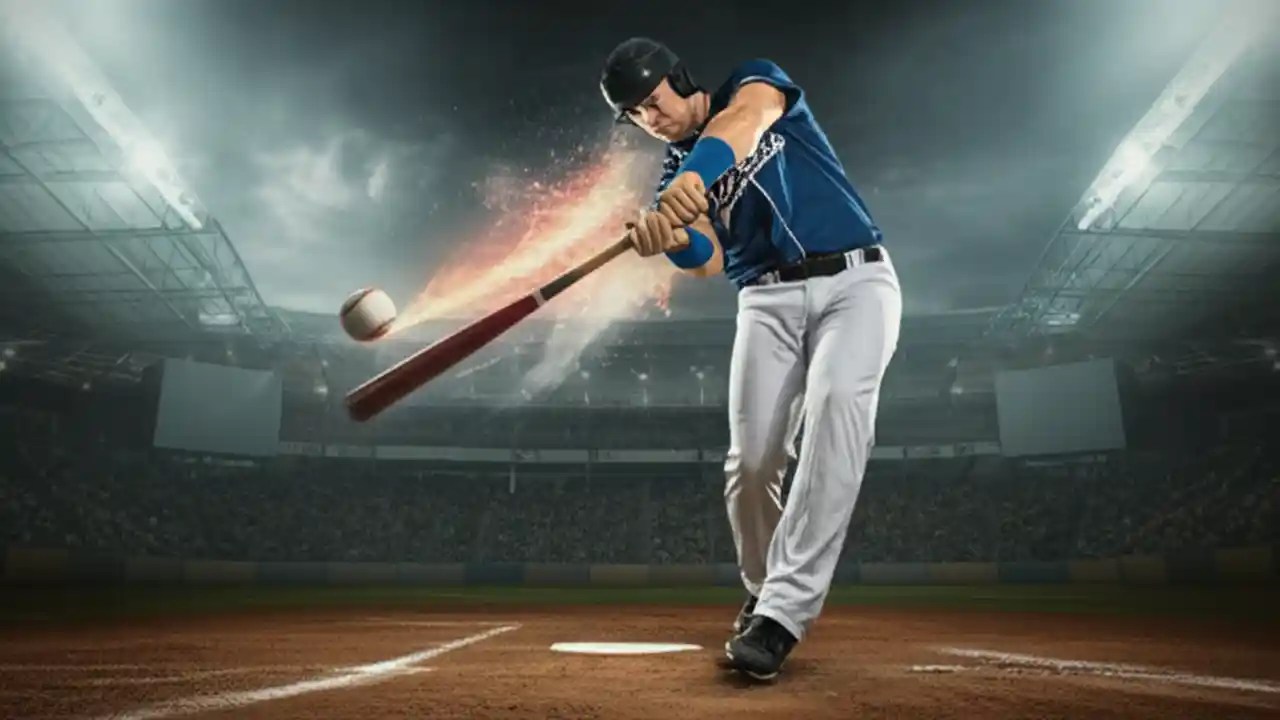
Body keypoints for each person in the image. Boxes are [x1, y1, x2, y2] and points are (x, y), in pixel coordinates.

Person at [600, 37, 903, 681]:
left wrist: (690, 181)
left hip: (856, 282)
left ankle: (782, 617)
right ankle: (766, 592)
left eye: (652, 101)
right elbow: (708, 259)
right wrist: (672, 237)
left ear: (679, 78)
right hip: (765, 302)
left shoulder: (752, 83)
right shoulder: (670, 176)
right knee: (753, 461)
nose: (649, 120)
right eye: (635, 115)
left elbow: (745, 124)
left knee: (836, 410)